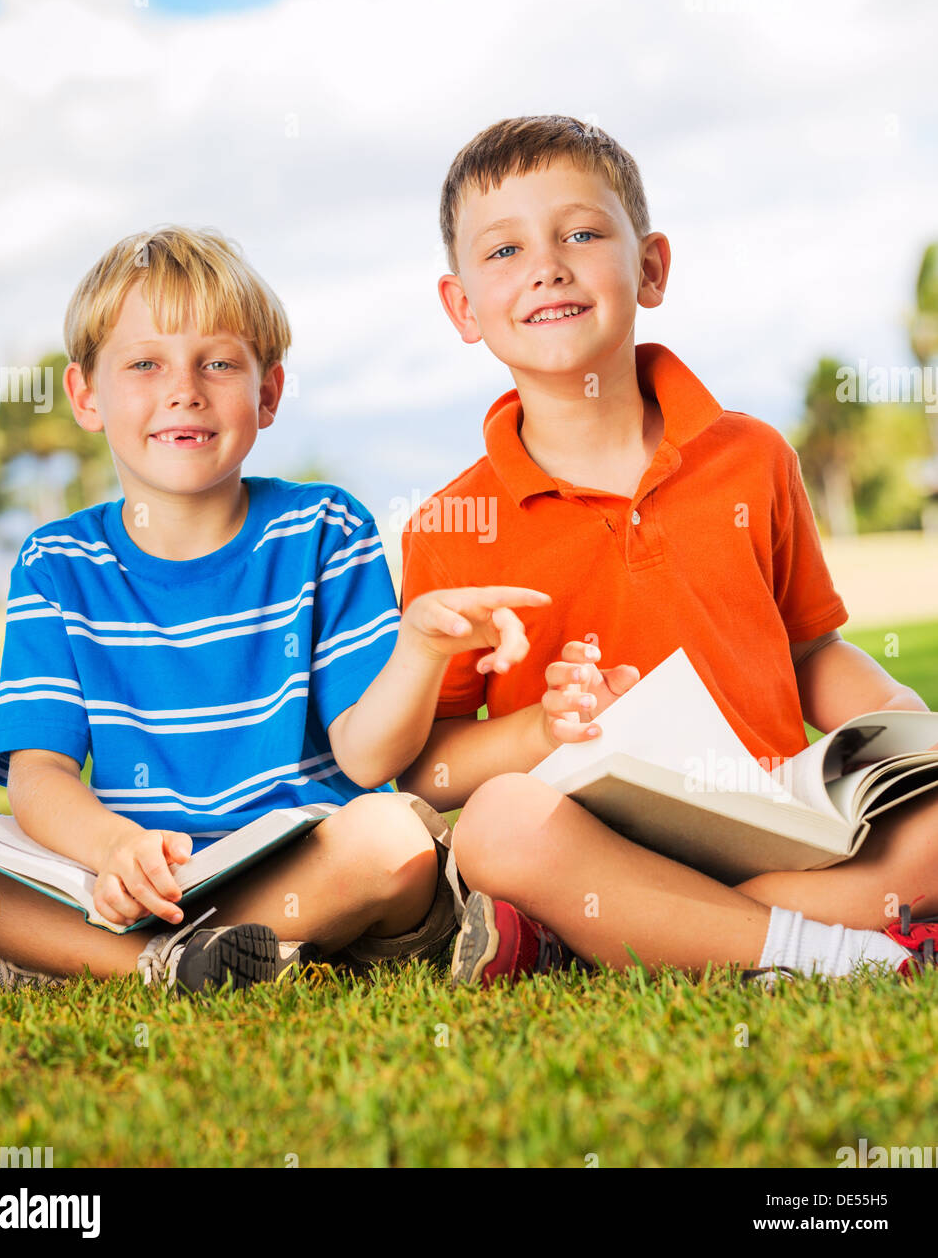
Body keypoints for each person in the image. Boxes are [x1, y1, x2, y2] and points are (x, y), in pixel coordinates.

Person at [399, 114, 938, 987]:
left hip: (775, 813)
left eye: (581, 232)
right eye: (503, 251)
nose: (547, 265)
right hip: (594, 835)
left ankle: (636, 934)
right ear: (462, 307)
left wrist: (907, 724)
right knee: (499, 823)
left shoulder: (752, 456)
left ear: (649, 268)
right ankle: (822, 948)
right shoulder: (450, 523)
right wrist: (545, 730)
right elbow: (434, 767)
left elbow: (811, 653)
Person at [0, 225, 548, 996]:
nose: (184, 389)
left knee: (391, 840)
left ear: (267, 392)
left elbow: (370, 760)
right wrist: (113, 848)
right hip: (129, 871)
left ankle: (89, 960)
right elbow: (38, 776)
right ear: (86, 395)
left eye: (219, 363)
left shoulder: (322, 529)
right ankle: (164, 963)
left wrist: (421, 651)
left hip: (303, 859)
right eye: (144, 364)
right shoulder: (56, 562)